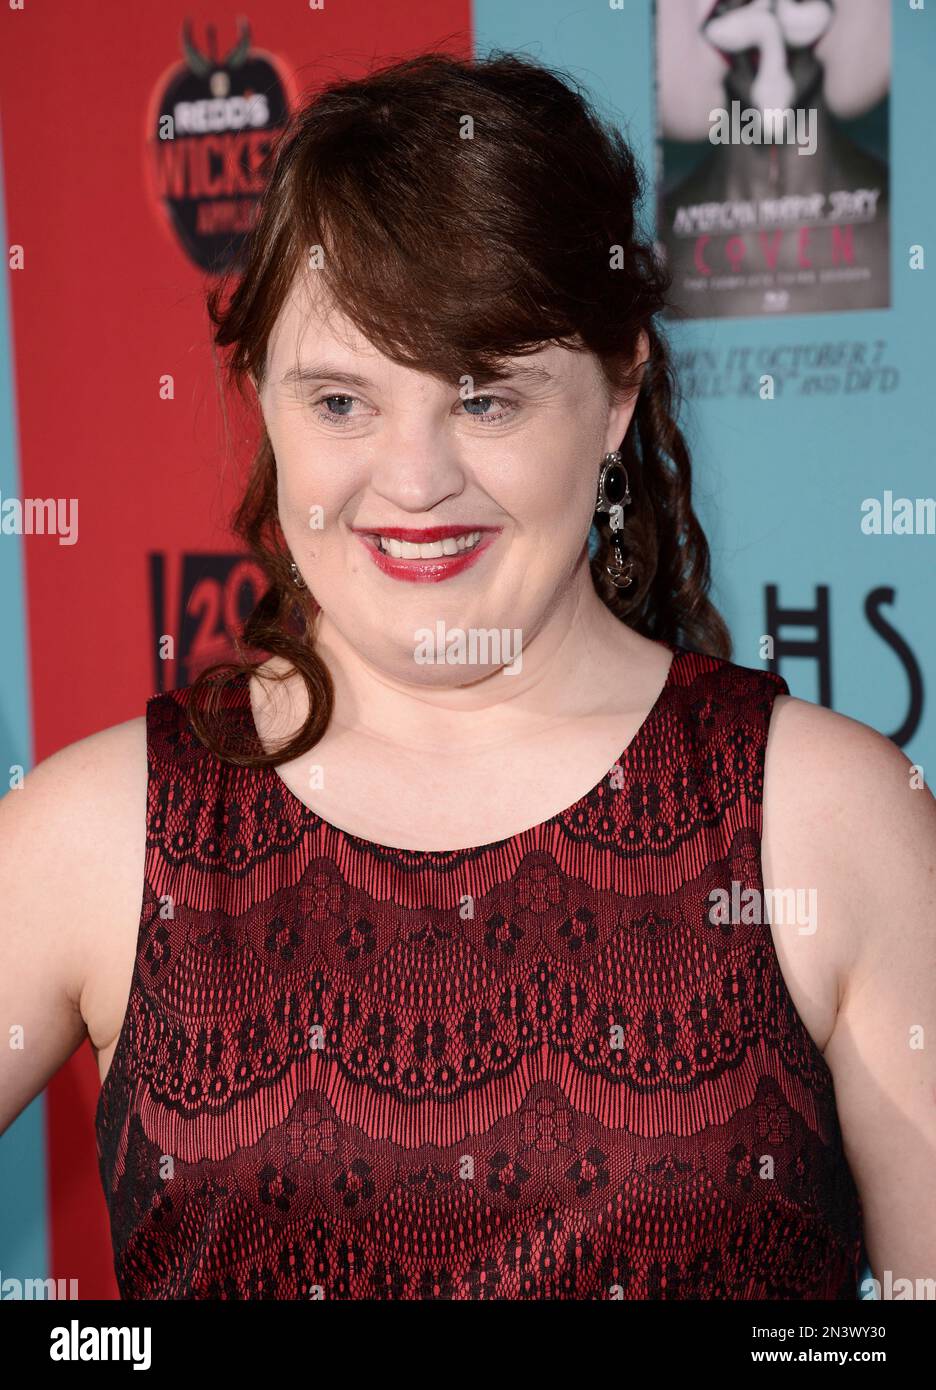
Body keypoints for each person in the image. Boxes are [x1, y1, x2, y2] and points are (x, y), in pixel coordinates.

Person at [1, 51, 933, 1301]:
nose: (411, 480)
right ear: (261, 403)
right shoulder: (95, 833)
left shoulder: (829, 820)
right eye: (340, 401)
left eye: (485, 399)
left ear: (617, 396)